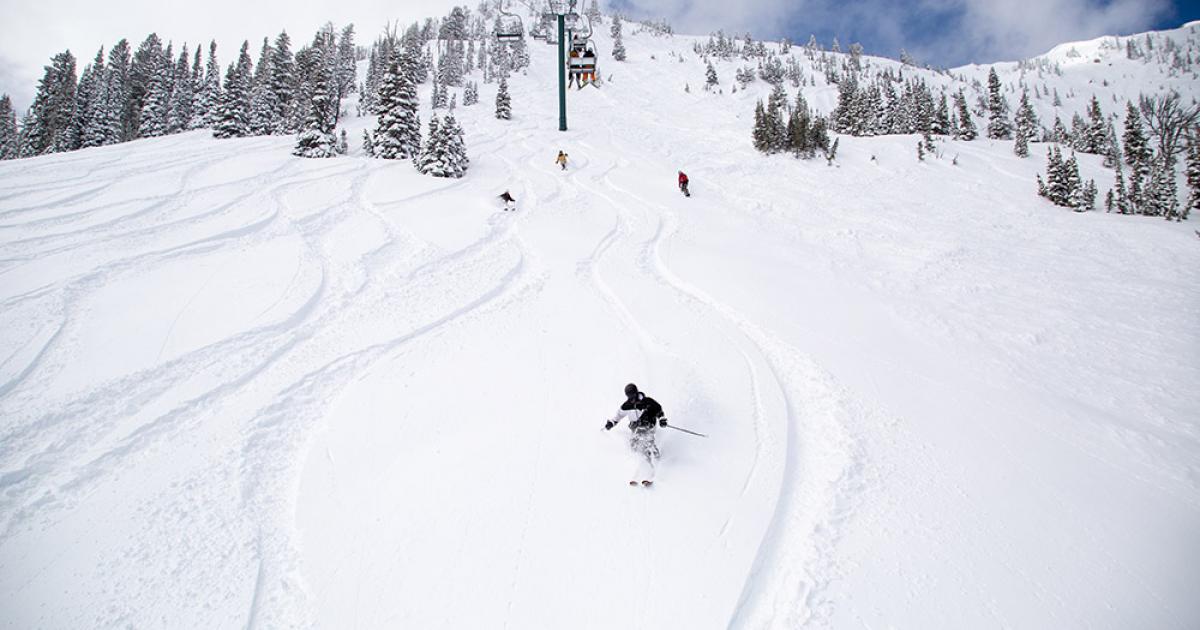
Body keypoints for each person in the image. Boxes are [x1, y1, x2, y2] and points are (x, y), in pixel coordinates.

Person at [604, 383, 668, 486]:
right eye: (629, 397)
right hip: (636, 429)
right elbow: (618, 416)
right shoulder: (626, 405)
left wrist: (662, 419)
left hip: (648, 425)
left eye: (633, 396)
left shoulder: (647, 402)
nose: (632, 399)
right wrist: (611, 423)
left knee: (645, 437)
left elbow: (658, 410)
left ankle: (654, 455)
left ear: (636, 393)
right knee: (634, 446)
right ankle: (640, 467)